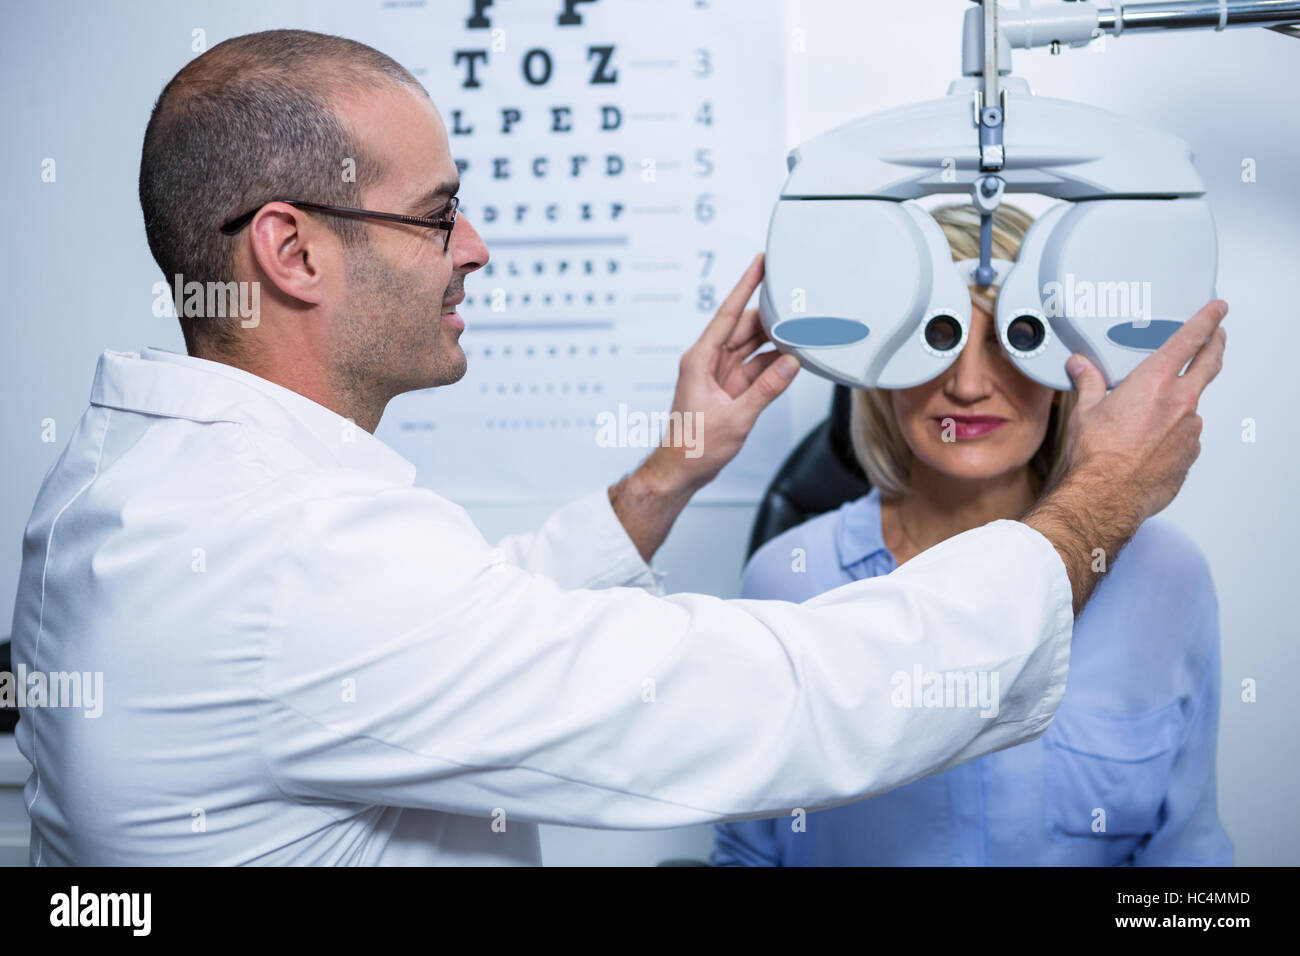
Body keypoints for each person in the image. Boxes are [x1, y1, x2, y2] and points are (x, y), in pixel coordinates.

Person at [9, 30, 1226, 866]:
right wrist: (1095, 505)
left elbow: (451, 636)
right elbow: (777, 704)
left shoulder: (160, 492)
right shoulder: (280, 555)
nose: (477, 245)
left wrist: (671, 468)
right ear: (293, 251)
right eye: (437, 214)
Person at [712, 204, 1232, 866]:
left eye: (1012, 338)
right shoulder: (789, 578)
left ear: (1070, 363)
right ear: (879, 366)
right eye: (937, 335)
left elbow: (1187, 853)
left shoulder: (1167, 577)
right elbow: (751, 853)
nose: (967, 385)